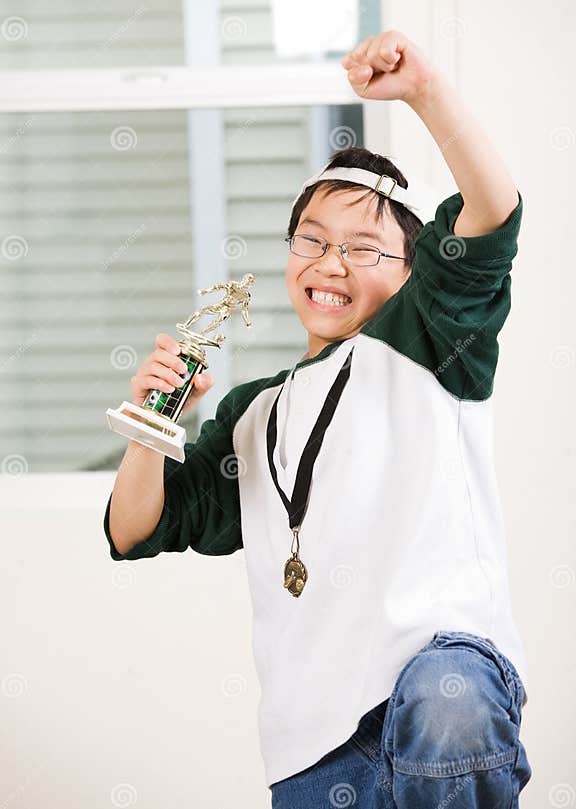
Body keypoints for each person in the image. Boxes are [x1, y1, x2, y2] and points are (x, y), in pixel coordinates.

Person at [103, 29, 532, 808]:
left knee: (447, 697)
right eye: (313, 240)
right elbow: (134, 528)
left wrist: (425, 91)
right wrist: (150, 427)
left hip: (436, 689)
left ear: (415, 274)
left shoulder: (427, 339)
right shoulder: (251, 412)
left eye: (365, 249)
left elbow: (492, 211)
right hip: (313, 747)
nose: (331, 264)